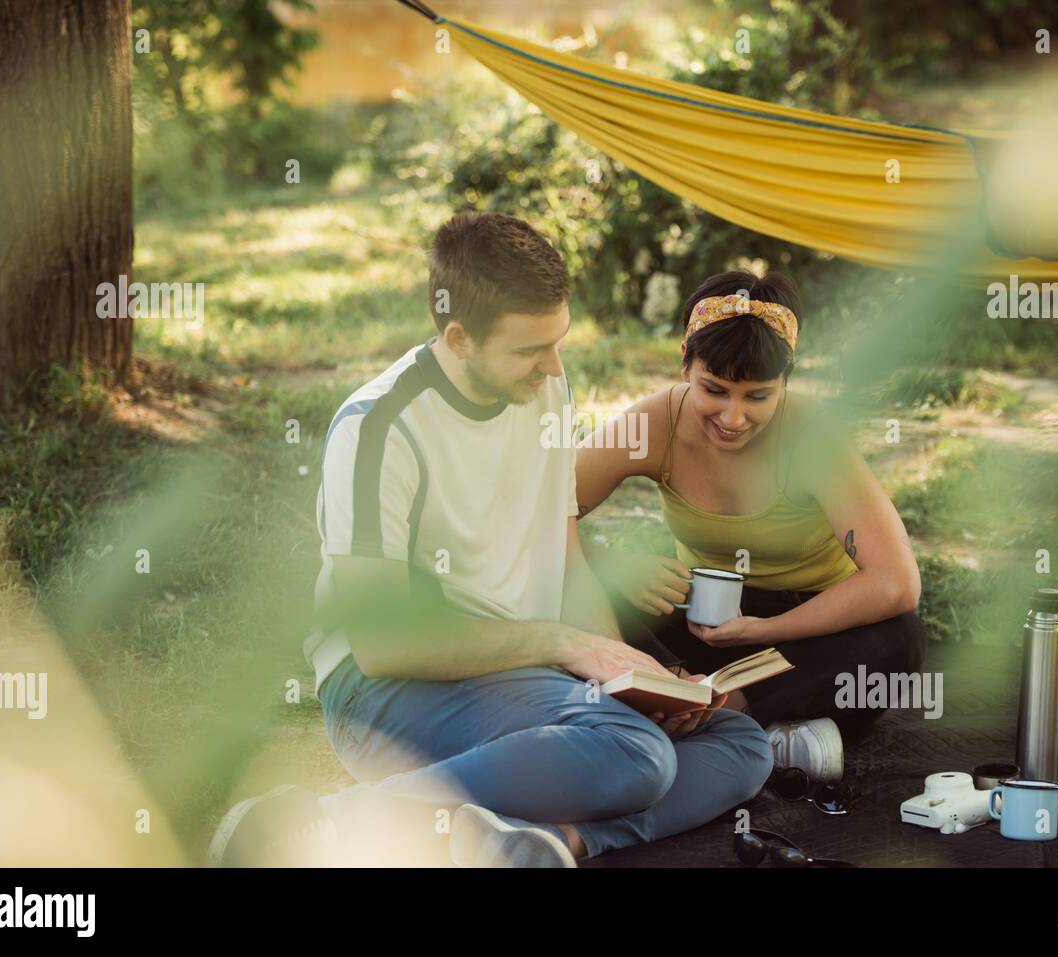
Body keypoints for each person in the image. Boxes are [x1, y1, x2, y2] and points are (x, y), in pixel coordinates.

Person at [207, 214, 773, 868]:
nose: (554, 366)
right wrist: (566, 644)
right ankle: (326, 821)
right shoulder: (378, 429)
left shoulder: (546, 388)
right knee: (638, 755)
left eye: (558, 341)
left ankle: (539, 841)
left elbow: (563, 556)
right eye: (533, 350)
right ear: (459, 337)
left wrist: (626, 672)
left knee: (738, 742)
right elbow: (384, 642)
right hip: (384, 687)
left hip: (519, 670)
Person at [576, 269, 927, 779]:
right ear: (684, 365)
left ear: (785, 381)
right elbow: (538, 513)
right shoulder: (651, 425)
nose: (733, 417)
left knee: (900, 638)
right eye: (714, 390)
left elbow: (896, 582)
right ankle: (703, 704)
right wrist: (613, 564)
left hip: (804, 634)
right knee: (567, 586)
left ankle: (705, 713)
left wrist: (763, 630)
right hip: (699, 624)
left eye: (758, 396)